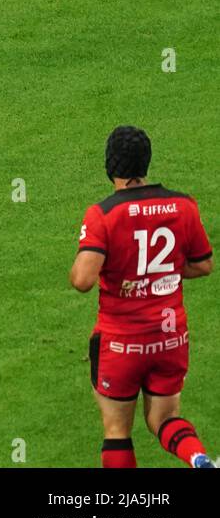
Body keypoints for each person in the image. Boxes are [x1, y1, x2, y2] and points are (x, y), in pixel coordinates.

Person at [70, 125, 214, 467]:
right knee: (164, 419)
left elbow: (82, 280)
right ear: (146, 162)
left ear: (110, 165)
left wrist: (126, 273)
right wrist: (157, 275)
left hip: (121, 343)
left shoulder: (103, 214)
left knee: (117, 430)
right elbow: (203, 264)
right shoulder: (183, 205)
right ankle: (198, 458)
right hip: (170, 337)